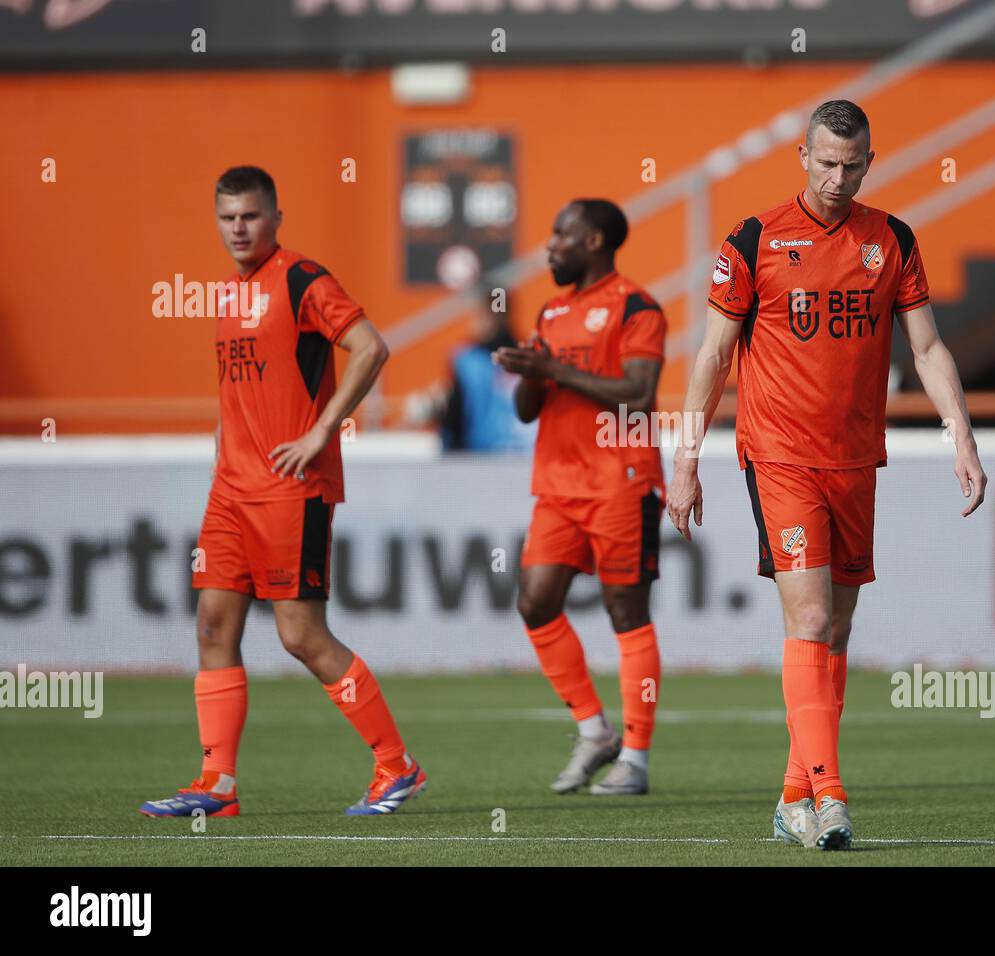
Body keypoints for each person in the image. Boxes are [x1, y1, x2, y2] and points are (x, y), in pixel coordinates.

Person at [667, 101, 988, 850]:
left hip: (855, 460)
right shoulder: (752, 240)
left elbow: (929, 349)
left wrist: (961, 435)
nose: (837, 179)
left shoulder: (893, 241)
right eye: (825, 163)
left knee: (837, 631)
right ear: (801, 157)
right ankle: (832, 796)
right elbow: (713, 358)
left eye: (851, 166)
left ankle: (791, 796)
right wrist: (685, 461)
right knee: (809, 621)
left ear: (869, 163)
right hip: (778, 455)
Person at [139, 166, 426, 818]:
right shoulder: (227, 293)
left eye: (250, 216)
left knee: (301, 636)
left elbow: (370, 347)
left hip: (291, 487)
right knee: (213, 627)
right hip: (232, 491)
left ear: (276, 217)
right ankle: (217, 785)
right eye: (227, 218)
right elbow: (237, 394)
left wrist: (323, 430)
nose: (238, 228)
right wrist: (223, 454)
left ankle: (397, 766)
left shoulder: (301, 279)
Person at [493, 199, 666, 796]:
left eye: (560, 234)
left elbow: (639, 396)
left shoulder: (637, 307)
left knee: (626, 614)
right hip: (559, 486)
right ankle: (595, 730)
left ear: (593, 241)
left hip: (622, 477)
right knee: (535, 603)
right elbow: (526, 408)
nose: (549, 246)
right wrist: (529, 371)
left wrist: (555, 369)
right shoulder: (552, 309)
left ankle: (636, 761)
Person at [438, 291, 536, 451]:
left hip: (485, 461)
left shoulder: (467, 361)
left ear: (494, 316)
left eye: (479, 314)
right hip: (503, 460)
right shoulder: (530, 356)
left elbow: (453, 421)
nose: (473, 321)